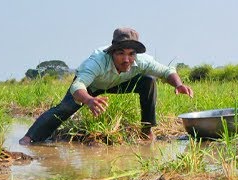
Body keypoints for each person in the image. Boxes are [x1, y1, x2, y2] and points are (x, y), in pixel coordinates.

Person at [20, 27, 194, 144]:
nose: (127, 59)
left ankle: (146, 131)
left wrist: (178, 84)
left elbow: (166, 71)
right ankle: (28, 139)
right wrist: (88, 100)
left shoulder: (141, 61)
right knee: (64, 109)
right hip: (90, 88)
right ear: (112, 52)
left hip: (118, 84)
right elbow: (78, 85)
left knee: (148, 80)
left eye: (131, 54)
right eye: (121, 53)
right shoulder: (97, 61)